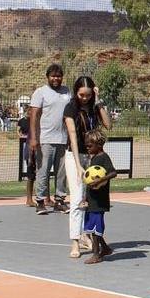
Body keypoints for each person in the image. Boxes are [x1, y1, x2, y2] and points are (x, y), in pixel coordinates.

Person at [63, 76, 112, 258]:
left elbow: (108, 125)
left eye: (89, 95)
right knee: (77, 199)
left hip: (93, 157)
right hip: (75, 155)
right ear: (76, 93)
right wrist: (78, 165)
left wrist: (99, 102)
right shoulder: (70, 108)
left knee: (92, 199)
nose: (85, 98)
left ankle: (87, 236)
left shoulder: (94, 107)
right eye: (81, 95)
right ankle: (75, 242)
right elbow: (73, 136)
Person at [30, 64, 71, 215]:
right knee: (43, 171)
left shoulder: (67, 91)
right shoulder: (40, 92)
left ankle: (59, 201)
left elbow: (70, 113)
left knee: (62, 173)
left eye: (58, 76)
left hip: (63, 139)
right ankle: (40, 201)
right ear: (47, 77)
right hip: (45, 139)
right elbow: (34, 115)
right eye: (53, 76)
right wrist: (34, 138)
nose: (56, 79)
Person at [81, 129, 117, 265]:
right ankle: (106, 248)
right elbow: (89, 179)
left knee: (96, 229)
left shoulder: (103, 157)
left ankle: (96, 255)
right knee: (90, 228)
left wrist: (100, 181)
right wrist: (85, 197)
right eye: (87, 145)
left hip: (99, 201)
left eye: (90, 146)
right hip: (92, 199)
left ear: (99, 144)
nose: (87, 148)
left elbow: (113, 172)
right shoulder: (94, 158)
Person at [18, 109, 37, 208]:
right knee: (31, 176)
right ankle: (29, 199)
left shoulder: (38, 122)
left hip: (39, 151)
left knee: (41, 176)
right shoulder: (28, 124)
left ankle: (45, 198)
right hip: (30, 152)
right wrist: (30, 157)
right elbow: (29, 140)